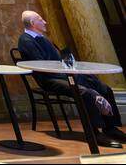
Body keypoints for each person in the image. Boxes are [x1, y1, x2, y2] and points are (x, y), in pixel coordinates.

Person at [17, 10, 125, 147]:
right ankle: (94, 133)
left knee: (104, 88)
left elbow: (58, 60)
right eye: (41, 19)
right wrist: (67, 75)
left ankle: (110, 128)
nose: (45, 22)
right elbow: (40, 66)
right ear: (33, 23)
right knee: (85, 93)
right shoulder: (25, 41)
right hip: (49, 79)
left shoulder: (43, 38)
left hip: (62, 74)